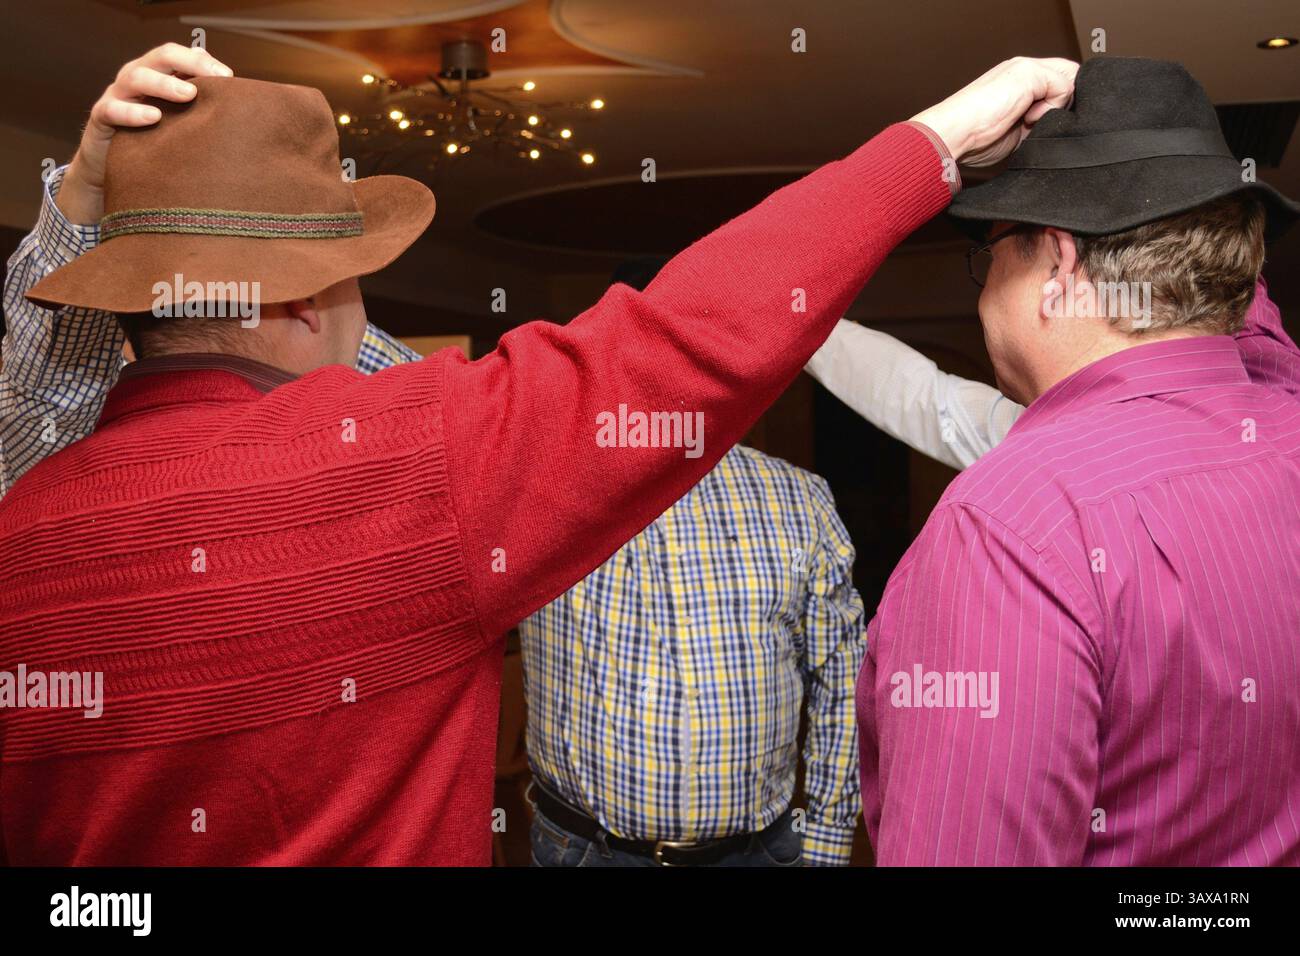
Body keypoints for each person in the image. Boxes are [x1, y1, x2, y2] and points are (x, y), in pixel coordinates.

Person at [0, 43, 1076, 865]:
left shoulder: (21, 513)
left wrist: (83, 212)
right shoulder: (412, 460)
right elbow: (677, 340)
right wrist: (930, 141)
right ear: (294, 298)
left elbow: (42, 395)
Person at [850, 56, 1300, 865]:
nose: (983, 289)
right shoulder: (1285, 417)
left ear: (1057, 265)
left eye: (989, 256)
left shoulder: (1011, 528)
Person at [522, 263, 865, 868]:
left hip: (760, 853)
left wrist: (829, 839)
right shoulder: (532, 486)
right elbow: (422, 401)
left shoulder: (798, 498)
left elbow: (843, 678)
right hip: (583, 851)